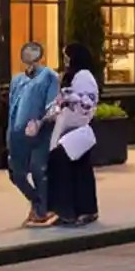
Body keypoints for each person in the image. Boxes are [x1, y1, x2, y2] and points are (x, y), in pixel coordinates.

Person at [45, 43, 100, 226]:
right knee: (77, 170)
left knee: (67, 168)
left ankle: (72, 211)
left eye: (67, 56)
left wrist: (70, 99)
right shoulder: (71, 77)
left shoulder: (84, 76)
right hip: (67, 132)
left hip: (76, 132)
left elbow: (87, 104)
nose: (65, 60)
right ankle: (81, 210)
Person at [7, 41, 59, 228]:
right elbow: (11, 109)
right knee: (16, 174)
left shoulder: (49, 76)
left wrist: (40, 122)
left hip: (40, 134)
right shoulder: (17, 80)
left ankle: (42, 210)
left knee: (38, 170)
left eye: (33, 52)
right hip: (17, 134)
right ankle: (38, 203)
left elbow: (53, 105)